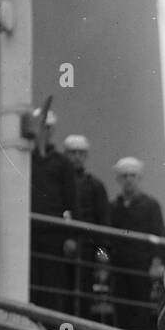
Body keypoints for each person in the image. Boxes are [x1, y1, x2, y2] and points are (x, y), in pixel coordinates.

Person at [107, 156, 165, 330]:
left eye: (132, 175)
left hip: (141, 267)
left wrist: (156, 263)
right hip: (118, 267)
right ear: (118, 179)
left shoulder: (151, 206)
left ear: (138, 178)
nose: (128, 179)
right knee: (121, 308)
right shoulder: (113, 207)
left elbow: (159, 237)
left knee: (140, 309)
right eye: (124, 176)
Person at [29, 108, 79, 313]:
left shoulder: (62, 163)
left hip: (53, 232)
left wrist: (71, 236)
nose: (43, 131)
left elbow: (71, 202)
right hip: (28, 231)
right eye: (41, 127)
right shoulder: (25, 159)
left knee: (51, 282)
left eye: (47, 127)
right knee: (29, 279)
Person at [63, 135, 111, 317]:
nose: (76, 157)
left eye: (81, 153)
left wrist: (102, 254)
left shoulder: (95, 186)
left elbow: (103, 222)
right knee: (62, 295)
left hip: (87, 251)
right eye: (72, 153)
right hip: (61, 247)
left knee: (82, 295)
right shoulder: (59, 183)